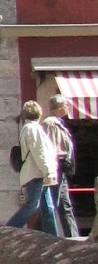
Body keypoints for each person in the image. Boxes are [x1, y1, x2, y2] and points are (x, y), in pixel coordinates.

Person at [7, 100, 61, 235]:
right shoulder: (33, 129)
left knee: (47, 207)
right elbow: (40, 152)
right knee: (32, 205)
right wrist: (48, 171)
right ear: (39, 113)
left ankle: (53, 236)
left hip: (36, 173)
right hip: (37, 174)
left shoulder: (28, 129)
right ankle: (9, 228)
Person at [42, 95, 80, 238]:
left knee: (65, 205)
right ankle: (44, 233)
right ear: (58, 108)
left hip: (61, 167)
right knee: (53, 202)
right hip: (56, 166)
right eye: (65, 105)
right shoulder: (50, 123)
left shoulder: (58, 123)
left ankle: (73, 237)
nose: (68, 107)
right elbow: (49, 146)